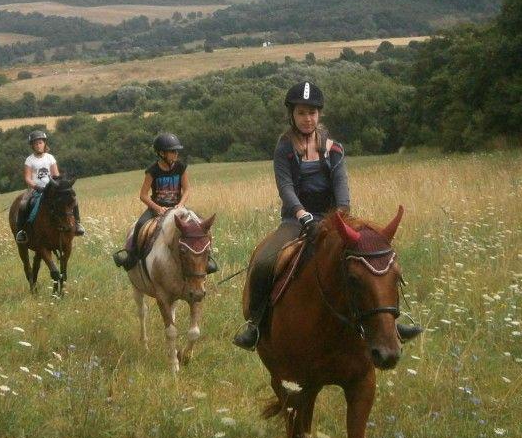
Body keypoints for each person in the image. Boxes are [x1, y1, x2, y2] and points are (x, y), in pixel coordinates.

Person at [232, 80, 421, 350]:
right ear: (292, 115)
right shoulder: (284, 148)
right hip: (295, 221)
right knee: (264, 262)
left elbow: (341, 187)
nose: (307, 118)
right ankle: (255, 325)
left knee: (378, 259)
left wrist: (339, 216)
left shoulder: (334, 149)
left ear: (319, 114)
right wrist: (302, 214)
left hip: (334, 221)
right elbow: (285, 187)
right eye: (301, 113)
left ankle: (393, 322)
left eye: (312, 113)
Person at [112, 132, 218, 273]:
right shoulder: (152, 171)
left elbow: (186, 189)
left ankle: (207, 259)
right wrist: (157, 208)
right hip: (157, 208)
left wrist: (181, 204)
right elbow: (143, 195)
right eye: (172, 151)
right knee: (139, 225)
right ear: (161, 153)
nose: (176, 154)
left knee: (202, 225)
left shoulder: (181, 167)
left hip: (178, 207)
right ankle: (131, 256)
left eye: (176, 151)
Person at [15, 130, 85, 243]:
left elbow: (56, 175)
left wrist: (59, 186)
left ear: (44, 143)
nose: (38, 145)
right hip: (35, 189)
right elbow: (27, 178)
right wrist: (36, 186)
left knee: (73, 200)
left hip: (51, 189)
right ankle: (22, 231)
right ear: (32, 146)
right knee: (23, 204)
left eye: (40, 143)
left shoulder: (50, 158)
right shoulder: (29, 160)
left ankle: (77, 224)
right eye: (36, 143)